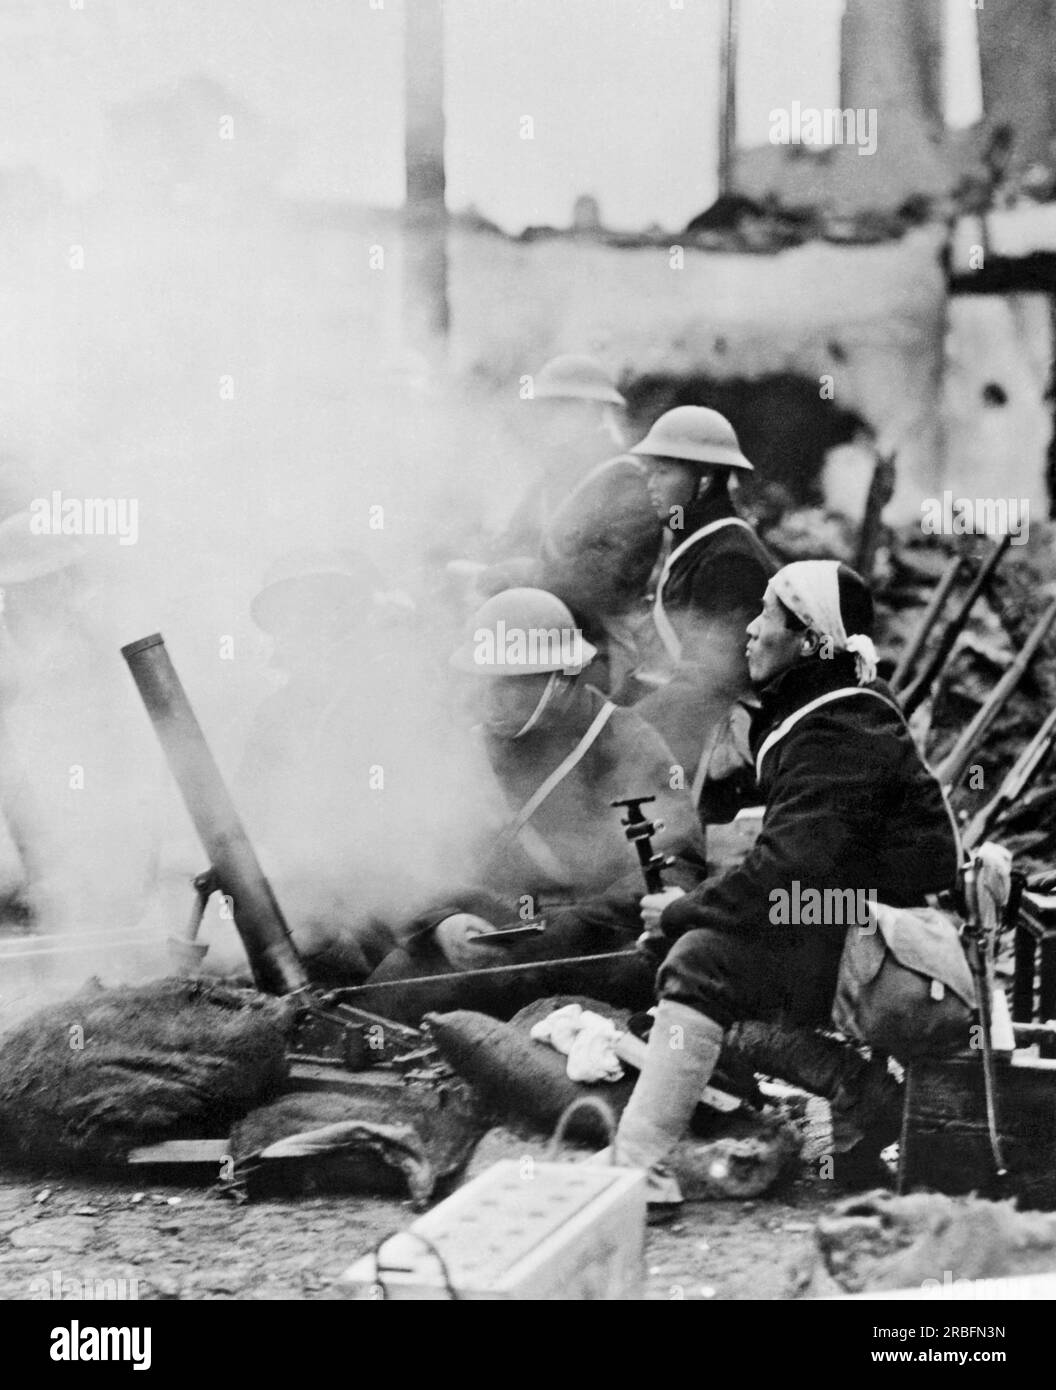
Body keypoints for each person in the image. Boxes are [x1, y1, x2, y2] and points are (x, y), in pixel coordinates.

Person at [613, 560, 961, 1215]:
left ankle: (636, 1172)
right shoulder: (833, 713)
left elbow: (786, 873)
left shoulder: (840, 727)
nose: (750, 628)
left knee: (700, 961)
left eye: (767, 614)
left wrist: (682, 911)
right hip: (871, 934)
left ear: (809, 640)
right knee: (699, 955)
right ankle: (858, 1090)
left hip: (905, 962)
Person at [380, 586, 706, 974]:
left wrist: (554, 934)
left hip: (582, 949)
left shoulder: (625, 741)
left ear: (562, 678)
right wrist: (440, 921)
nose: (492, 697)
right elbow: (416, 854)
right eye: (485, 679)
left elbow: (673, 867)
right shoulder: (471, 746)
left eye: (511, 681)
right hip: (477, 936)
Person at [627, 405, 775, 789]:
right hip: (686, 729)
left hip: (719, 758)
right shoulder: (700, 545)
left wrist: (619, 730)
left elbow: (707, 686)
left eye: (663, 472)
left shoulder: (730, 560)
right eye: (650, 471)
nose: (650, 484)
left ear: (705, 481)